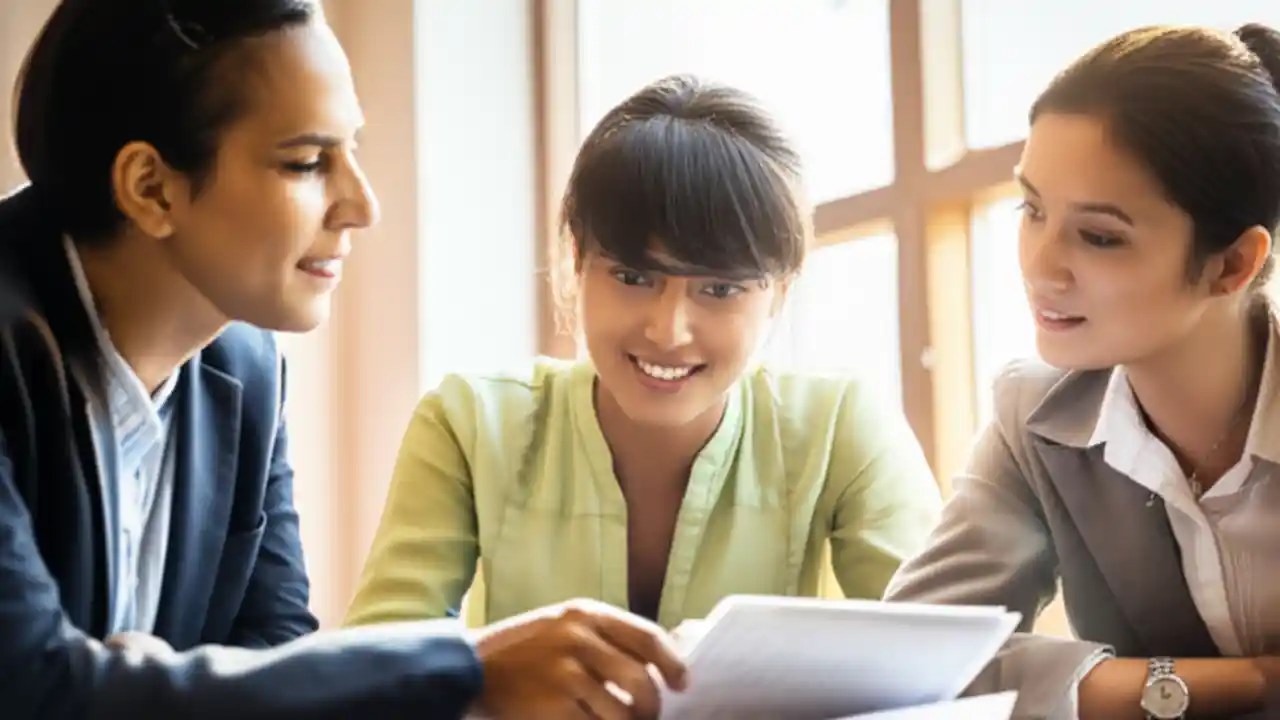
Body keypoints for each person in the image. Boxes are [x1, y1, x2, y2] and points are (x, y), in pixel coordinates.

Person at [0, 1, 686, 718]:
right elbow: (32, 689)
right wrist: (468, 669)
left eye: (353, 151)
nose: (362, 204)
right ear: (150, 187)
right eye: (305, 162)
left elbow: (276, 658)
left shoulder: (246, 365)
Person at [344, 74, 942, 631]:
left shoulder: (840, 428)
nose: (669, 330)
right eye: (633, 277)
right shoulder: (469, 423)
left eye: (719, 289)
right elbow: (375, 666)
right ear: (576, 263)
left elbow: (936, 652)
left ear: (780, 292)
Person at [885, 22, 1280, 720]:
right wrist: (1243, 682)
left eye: (1099, 236)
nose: (1040, 266)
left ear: (1231, 266)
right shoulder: (1034, 416)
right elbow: (910, 656)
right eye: (1032, 209)